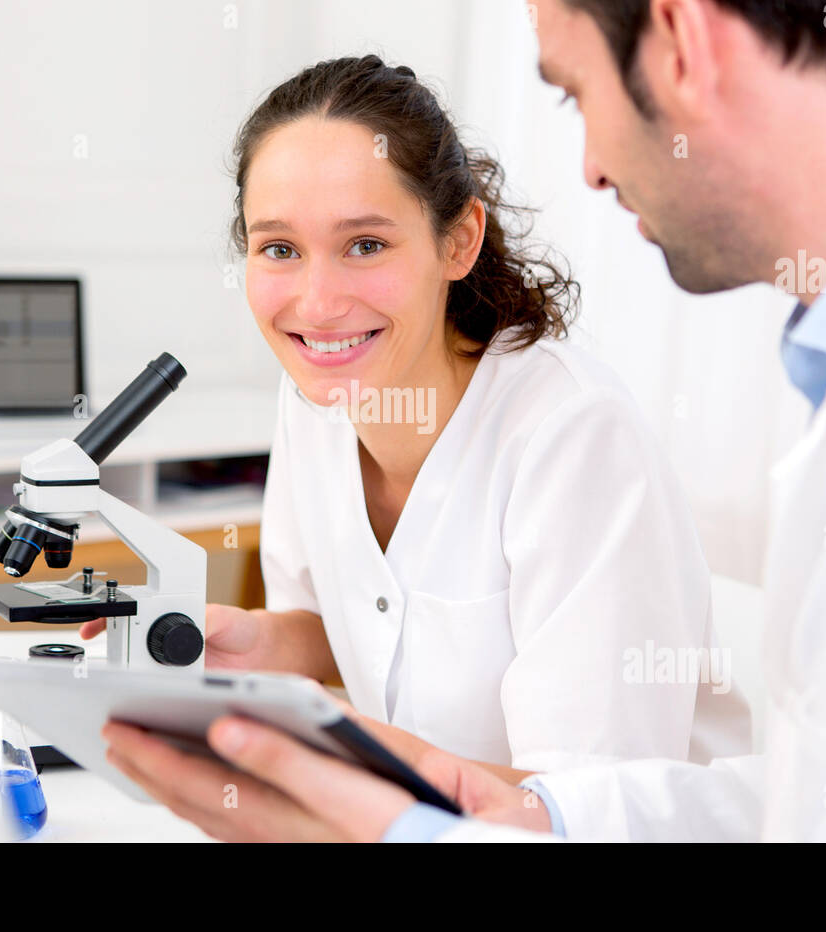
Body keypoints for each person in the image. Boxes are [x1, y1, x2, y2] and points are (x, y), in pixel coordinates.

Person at [102, 0, 826, 842]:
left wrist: (410, 829)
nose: (588, 168)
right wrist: (490, 804)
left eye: (575, 92)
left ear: (677, 44)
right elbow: (812, 810)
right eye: (278, 250)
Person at [90, 54, 750, 780]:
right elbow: (362, 635)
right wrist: (258, 643)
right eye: (279, 248)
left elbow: (585, 807)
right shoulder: (314, 399)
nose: (316, 304)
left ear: (458, 241)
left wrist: (340, 791)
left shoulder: (572, 438)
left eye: (365, 245)